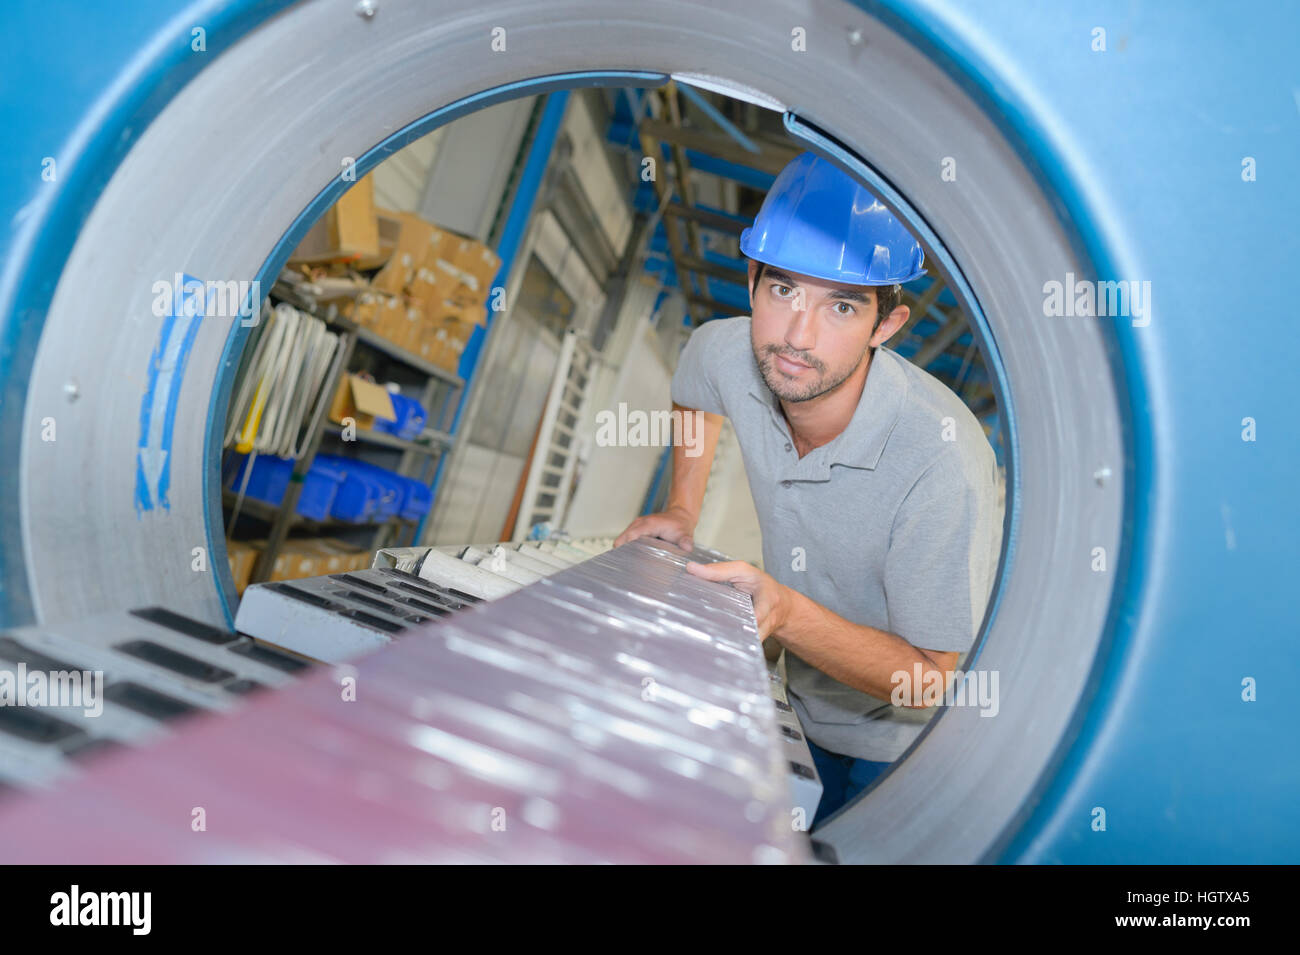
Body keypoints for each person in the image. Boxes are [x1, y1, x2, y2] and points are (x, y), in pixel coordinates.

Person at [614, 152, 1001, 829]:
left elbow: (932, 674)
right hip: (806, 706)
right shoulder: (732, 352)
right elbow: (690, 391)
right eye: (783, 289)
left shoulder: (941, 460)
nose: (797, 334)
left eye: (842, 306)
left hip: (909, 746)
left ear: (887, 326)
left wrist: (786, 614)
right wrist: (682, 506)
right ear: (752, 280)